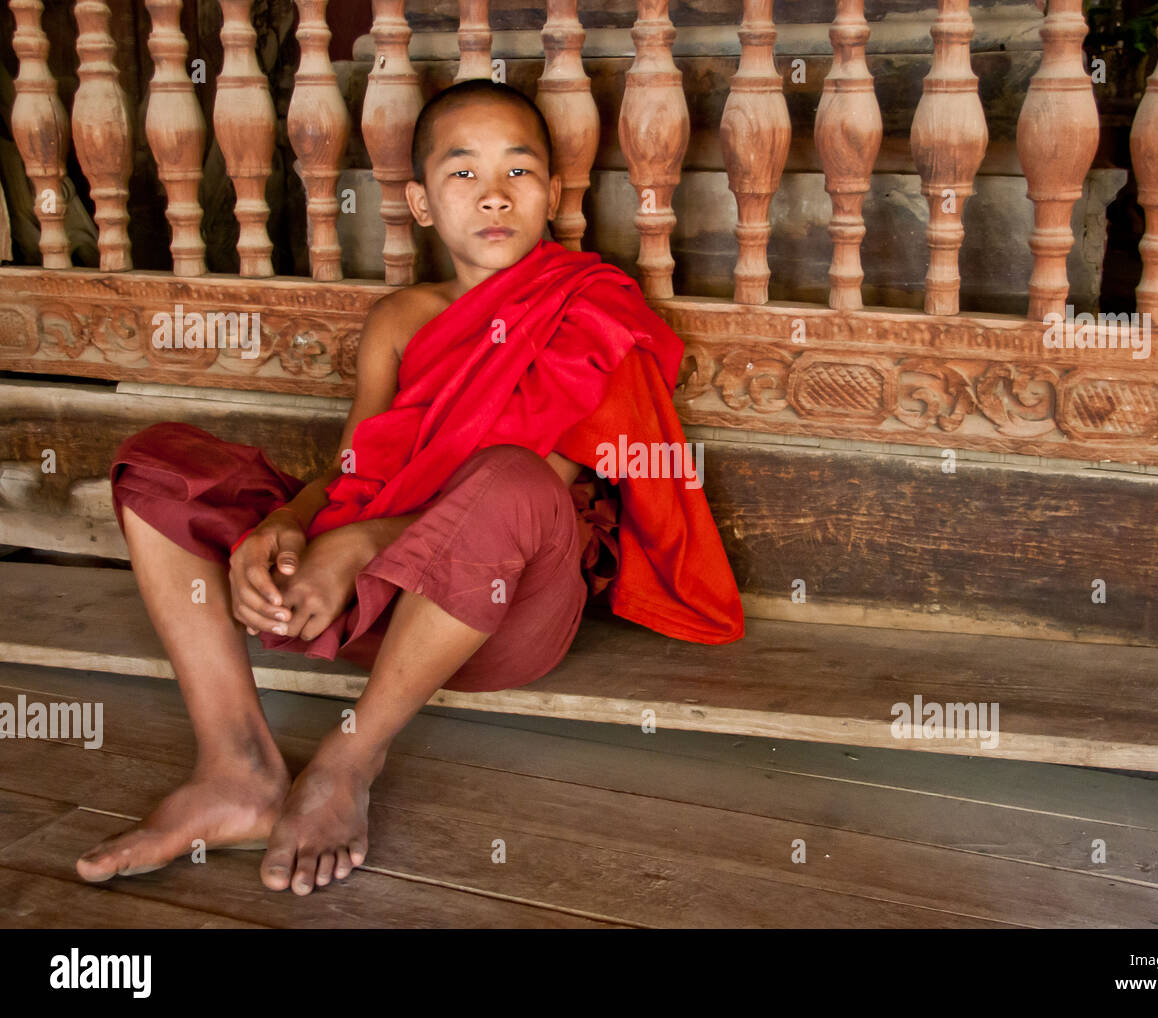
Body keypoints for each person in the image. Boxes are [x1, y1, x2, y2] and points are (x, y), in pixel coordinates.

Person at [75, 79, 743, 896]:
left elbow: (538, 489)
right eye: (462, 174)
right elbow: (355, 473)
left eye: (519, 173)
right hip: (373, 609)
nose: (493, 196)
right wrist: (288, 525)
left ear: (553, 196)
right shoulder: (399, 318)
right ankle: (236, 767)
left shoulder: (587, 307)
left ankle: (348, 761)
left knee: (515, 480)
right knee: (157, 462)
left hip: (500, 617)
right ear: (422, 204)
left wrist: (356, 546)